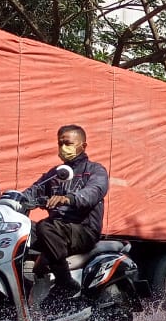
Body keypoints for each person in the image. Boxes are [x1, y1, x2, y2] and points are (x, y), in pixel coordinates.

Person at [15, 124, 108, 309]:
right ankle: (21, 291)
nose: (63, 147)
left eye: (68, 143)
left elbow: (93, 192)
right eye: (60, 143)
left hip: (83, 230)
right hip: (56, 231)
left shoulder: (95, 170)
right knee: (17, 229)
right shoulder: (55, 174)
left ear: (83, 146)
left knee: (45, 226)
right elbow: (32, 192)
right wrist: (6, 200)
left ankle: (65, 282)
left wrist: (68, 198)